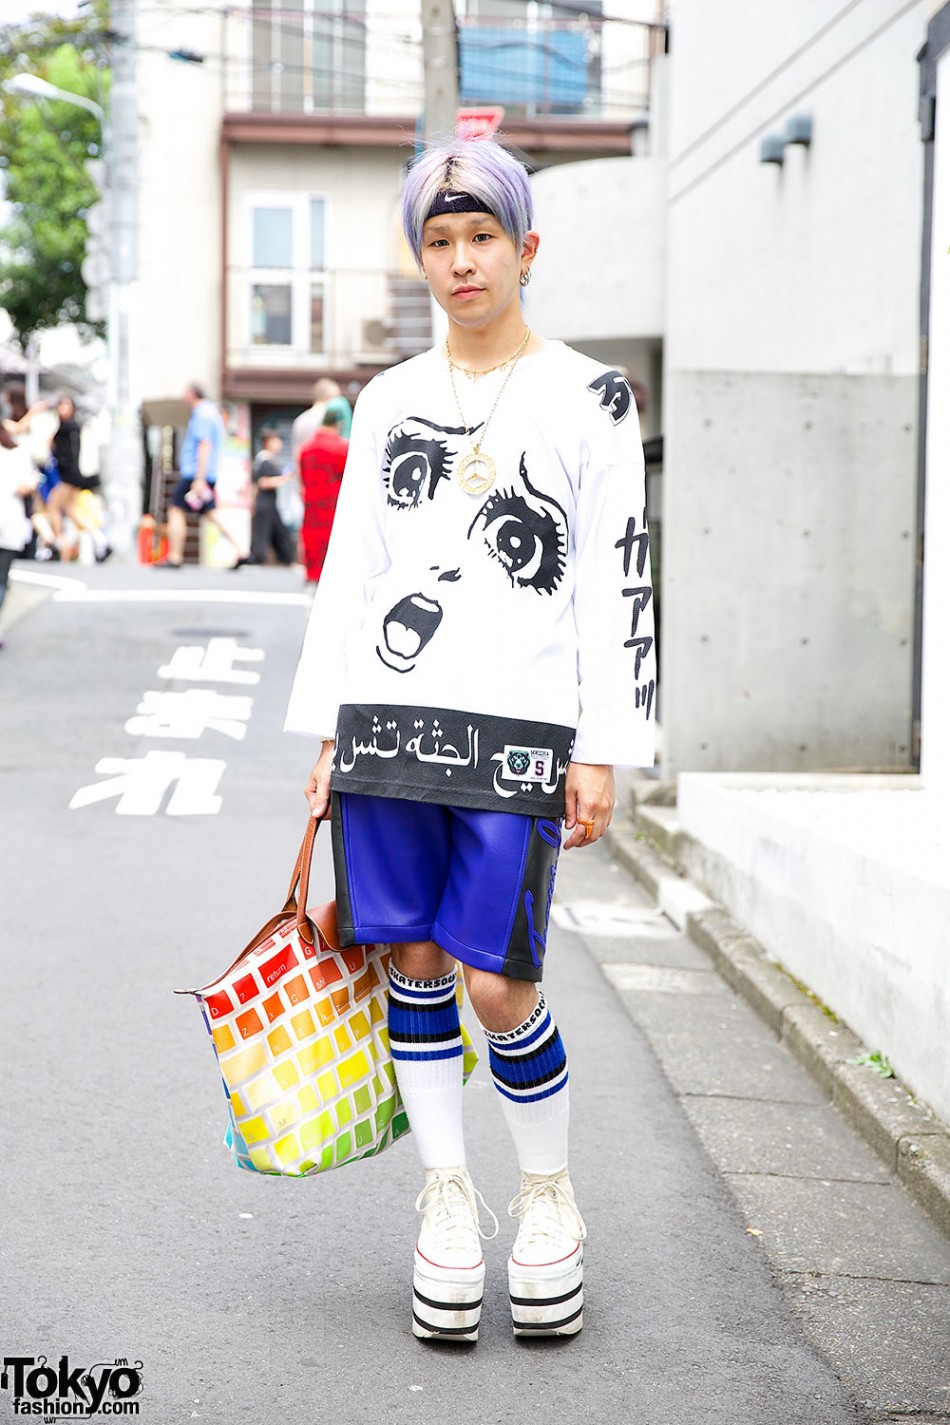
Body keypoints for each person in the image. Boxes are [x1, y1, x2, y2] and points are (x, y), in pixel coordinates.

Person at [285, 138, 656, 1344]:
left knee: (499, 976)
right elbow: (353, 575)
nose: (460, 261)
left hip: (517, 734)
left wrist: (600, 743)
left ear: (525, 249)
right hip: (392, 727)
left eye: (481, 237)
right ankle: (446, 1200)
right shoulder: (388, 399)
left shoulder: (593, 396)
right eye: (438, 242)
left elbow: (615, 584)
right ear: (420, 260)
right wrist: (330, 731)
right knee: (410, 962)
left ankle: (546, 1196)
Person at [163, 382, 251, 570]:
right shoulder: (212, 413)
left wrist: (199, 478)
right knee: (212, 513)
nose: (182, 396)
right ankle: (242, 550)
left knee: (176, 510)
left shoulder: (202, 414)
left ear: (193, 394)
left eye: (185, 392)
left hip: (195, 473)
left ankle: (175, 557)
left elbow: (204, 445)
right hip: (204, 473)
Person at [46, 396, 111, 561]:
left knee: (53, 505)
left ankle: (60, 542)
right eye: (60, 404)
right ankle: (99, 538)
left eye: (66, 405)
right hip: (74, 475)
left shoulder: (66, 428)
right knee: (71, 510)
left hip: (67, 475)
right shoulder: (74, 426)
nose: (62, 408)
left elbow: (64, 453)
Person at [298, 407, 348, 586]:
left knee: (312, 544)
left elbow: (302, 479)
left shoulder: (306, 447)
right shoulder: (342, 447)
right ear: (339, 424)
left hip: (311, 506)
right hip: (332, 506)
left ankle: (311, 575)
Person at [0, 423, 39, 649]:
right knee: (2, 578)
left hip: (9, 521)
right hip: (9, 521)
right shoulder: (17, 454)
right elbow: (25, 486)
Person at [249, 427, 296, 566]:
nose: (279, 444)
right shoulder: (264, 461)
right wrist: (283, 479)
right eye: (276, 441)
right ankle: (258, 558)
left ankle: (286, 558)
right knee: (263, 533)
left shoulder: (265, 460)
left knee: (279, 532)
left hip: (268, 502)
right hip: (265, 503)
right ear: (268, 442)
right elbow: (262, 482)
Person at [291, 377, 341, 475]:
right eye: (337, 397)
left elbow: (297, 457)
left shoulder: (300, 420)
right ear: (329, 397)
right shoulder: (332, 420)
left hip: (309, 482)